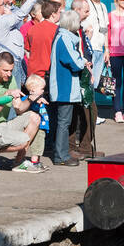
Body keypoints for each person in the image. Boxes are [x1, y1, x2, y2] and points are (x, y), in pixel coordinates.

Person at [47, 10, 88, 166]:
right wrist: (83, 62)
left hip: (65, 87)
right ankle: (61, 156)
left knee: (63, 122)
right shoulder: (64, 38)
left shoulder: (64, 37)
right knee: (63, 123)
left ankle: (61, 154)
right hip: (64, 88)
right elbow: (75, 63)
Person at [67, 0, 99, 159]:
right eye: (86, 9)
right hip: (78, 76)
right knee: (85, 111)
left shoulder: (80, 28)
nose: (88, 12)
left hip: (84, 75)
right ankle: (75, 146)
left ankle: (85, 146)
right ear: (77, 10)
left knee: (86, 112)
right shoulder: (71, 29)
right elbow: (76, 53)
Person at [24, 0, 61, 81]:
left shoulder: (32, 29)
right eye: (59, 12)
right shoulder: (57, 30)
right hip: (47, 74)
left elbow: (27, 52)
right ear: (53, 14)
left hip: (32, 73)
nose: (60, 15)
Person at [86, 0, 109, 86]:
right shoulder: (86, 5)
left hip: (100, 50)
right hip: (90, 49)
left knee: (95, 83)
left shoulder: (103, 6)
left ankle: (92, 103)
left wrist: (107, 49)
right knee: (88, 82)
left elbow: (104, 29)